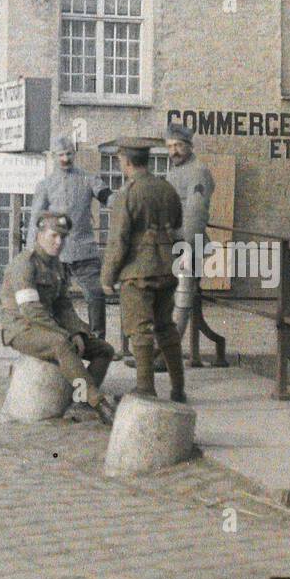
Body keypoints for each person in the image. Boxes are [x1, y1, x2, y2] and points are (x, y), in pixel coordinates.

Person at [0, 211, 116, 426]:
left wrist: (77, 331)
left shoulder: (58, 266)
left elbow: (64, 306)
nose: (59, 242)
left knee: (104, 349)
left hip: (46, 328)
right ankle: (95, 402)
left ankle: (78, 404)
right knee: (61, 344)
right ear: (39, 234)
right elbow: (31, 310)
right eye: (53, 235)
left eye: (63, 237)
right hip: (21, 329)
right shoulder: (25, 264)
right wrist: (65, 335)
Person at [100, 139, 186, 403]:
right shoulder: (166, 188)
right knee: (166, 328)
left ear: (125, 160)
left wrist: (107, 277)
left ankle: (145, 388)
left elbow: (118, 240)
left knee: (140, 330)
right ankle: (178, 389)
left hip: (138, 272)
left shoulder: (127, 193)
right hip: (166, 268)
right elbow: (178, 222)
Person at [26, 135, 113, 339]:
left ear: (74, 154)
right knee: (52, 298)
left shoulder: (88, 178)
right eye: (60, 155)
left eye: (68, 154)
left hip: (84, 249)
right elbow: (35, 220)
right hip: (56, 253)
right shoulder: (45, 185)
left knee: (96, 295)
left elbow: (108, 197)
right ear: (53, 157)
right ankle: (58, 338)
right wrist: (32, 250)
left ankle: (97, 339)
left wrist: (126, 201)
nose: (65, 159)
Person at [164, 123, 215, 338]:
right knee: (169, 298)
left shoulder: (198, 172)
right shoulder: (176, 170)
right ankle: (162, 349)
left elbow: (195, 213)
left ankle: (168, 354)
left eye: (178, 145)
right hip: (172, 243)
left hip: (187, 246)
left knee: (182, 298)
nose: (173, 151)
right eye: (170, 146)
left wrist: (188, 248)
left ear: (189, 146)